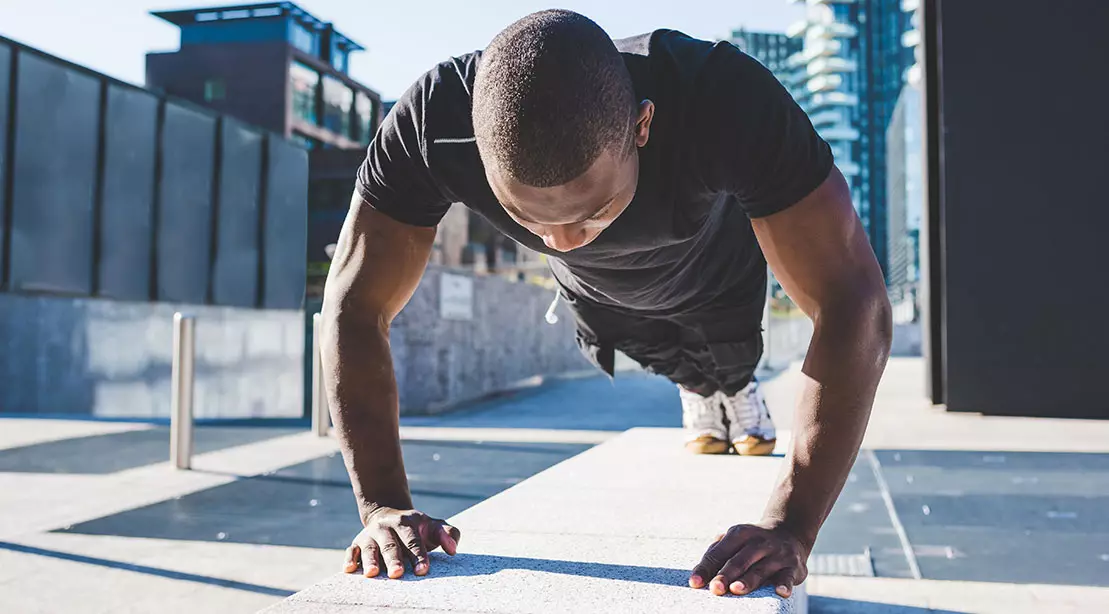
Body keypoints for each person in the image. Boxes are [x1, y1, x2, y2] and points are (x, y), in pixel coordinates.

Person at [320, 10, 891, 600]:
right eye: (528, 217)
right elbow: (354, 306)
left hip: (715, 270)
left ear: (643, 125)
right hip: (596, 292)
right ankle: (698, 389)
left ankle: (733, 387)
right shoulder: (431, 123)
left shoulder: (723, 98)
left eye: (592, 210)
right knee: (659, 357)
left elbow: (854, 302)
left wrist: (792, 524)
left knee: (729, 358)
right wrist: (382, 504)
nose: (564, 239)